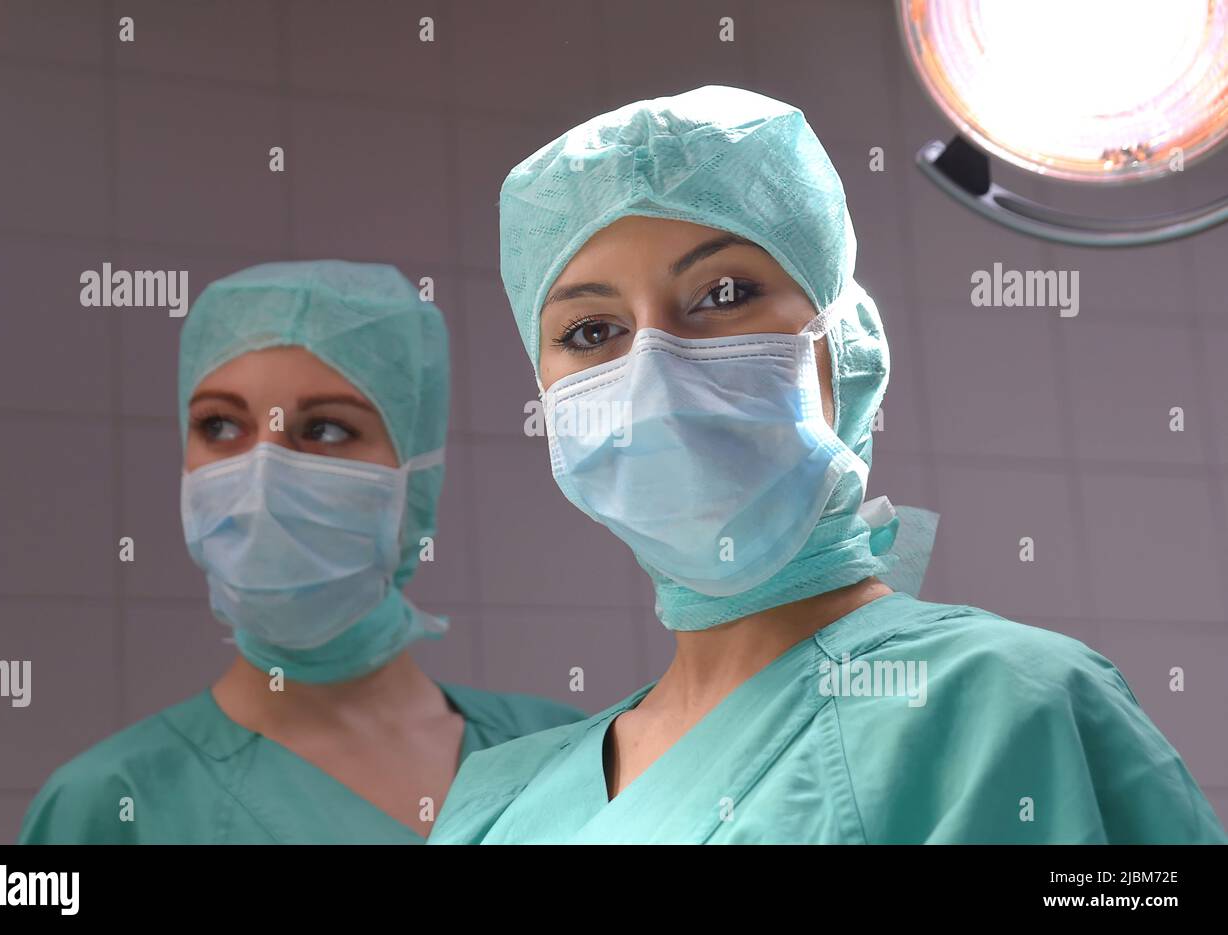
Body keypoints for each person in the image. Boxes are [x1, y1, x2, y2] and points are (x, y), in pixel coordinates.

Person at [427, 86, 1228, 844]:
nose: (654, 372)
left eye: (725, 291)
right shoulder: (498, 803)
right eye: (593, 332)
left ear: (845, 352)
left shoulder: (1005, 702)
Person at [19, 261, 585, 844]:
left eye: (327, 430)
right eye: (218, 424)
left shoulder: (565, 753)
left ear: (415, 474)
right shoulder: (111, 804)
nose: (262, 474)